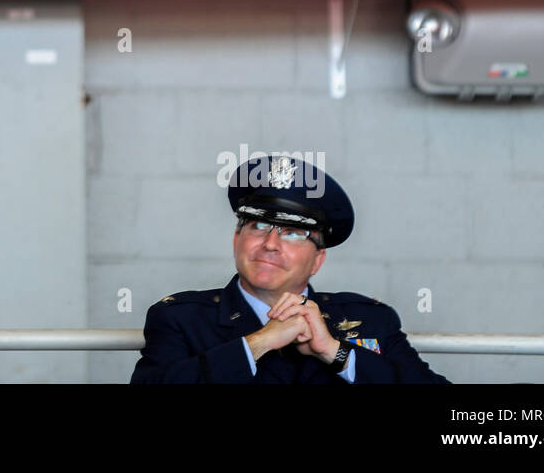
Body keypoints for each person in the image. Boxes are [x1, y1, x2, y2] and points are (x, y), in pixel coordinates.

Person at [131, 154, 448, 384]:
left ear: (317, 261)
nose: (270, 243)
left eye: (293, 233)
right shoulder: (181, 319)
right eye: (257, 226)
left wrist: (336, 353)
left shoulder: (371, 320)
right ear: (237, 239)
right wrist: (258, 343)